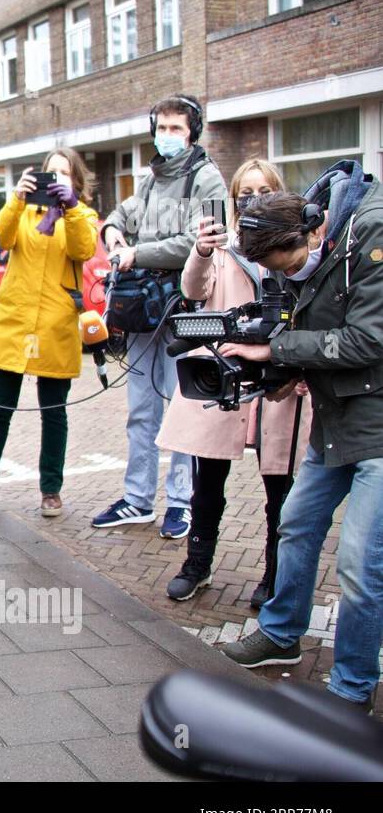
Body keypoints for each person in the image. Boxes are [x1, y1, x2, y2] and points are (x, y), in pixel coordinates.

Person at [216, 165, 383, 715]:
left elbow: (366, 340)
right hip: (336, 420)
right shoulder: (302, 246)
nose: (283, 276)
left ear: (312, 232)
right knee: (296, 523)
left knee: (361, 563)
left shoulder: (372, 234)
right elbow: (301, 327)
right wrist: (269, 368)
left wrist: (279, 353)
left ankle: (351, 688)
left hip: (378, 426)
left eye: (285, 265)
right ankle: (282, 631)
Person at [156, 159, 310, 606]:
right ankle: (197, 564)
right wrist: (201, 251)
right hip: (225, 367)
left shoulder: (296, 248)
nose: (254, 199)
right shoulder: (223, 245)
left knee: (279, 484)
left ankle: (274, 575)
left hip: (279, 370)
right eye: (245, 192)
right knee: (209, 481)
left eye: (264, 190)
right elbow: (194, 290)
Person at [93, 94, 226, 539]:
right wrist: (111, 232)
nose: (167, 136)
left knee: (180, 412)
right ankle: (137, 499)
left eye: (176, 129)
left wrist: (137, 252)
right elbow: (119, 213)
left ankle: (181, 503)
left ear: (192, 132)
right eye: (161, 128)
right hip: (142, 313)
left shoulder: (207, 180)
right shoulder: (150, 181)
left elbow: (203, 240)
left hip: (183, 311)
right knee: (141, 410)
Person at [0, 149, 98, 520]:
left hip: (55, 324)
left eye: (64, 173)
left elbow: (83, 249)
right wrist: (16, 200)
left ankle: (51, 489)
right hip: (15, 321)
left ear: (76, 182)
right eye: (49, 172)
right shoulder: (23, 214)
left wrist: (70, 209)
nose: (55, 178)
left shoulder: (82, 216)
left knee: (54, 413)